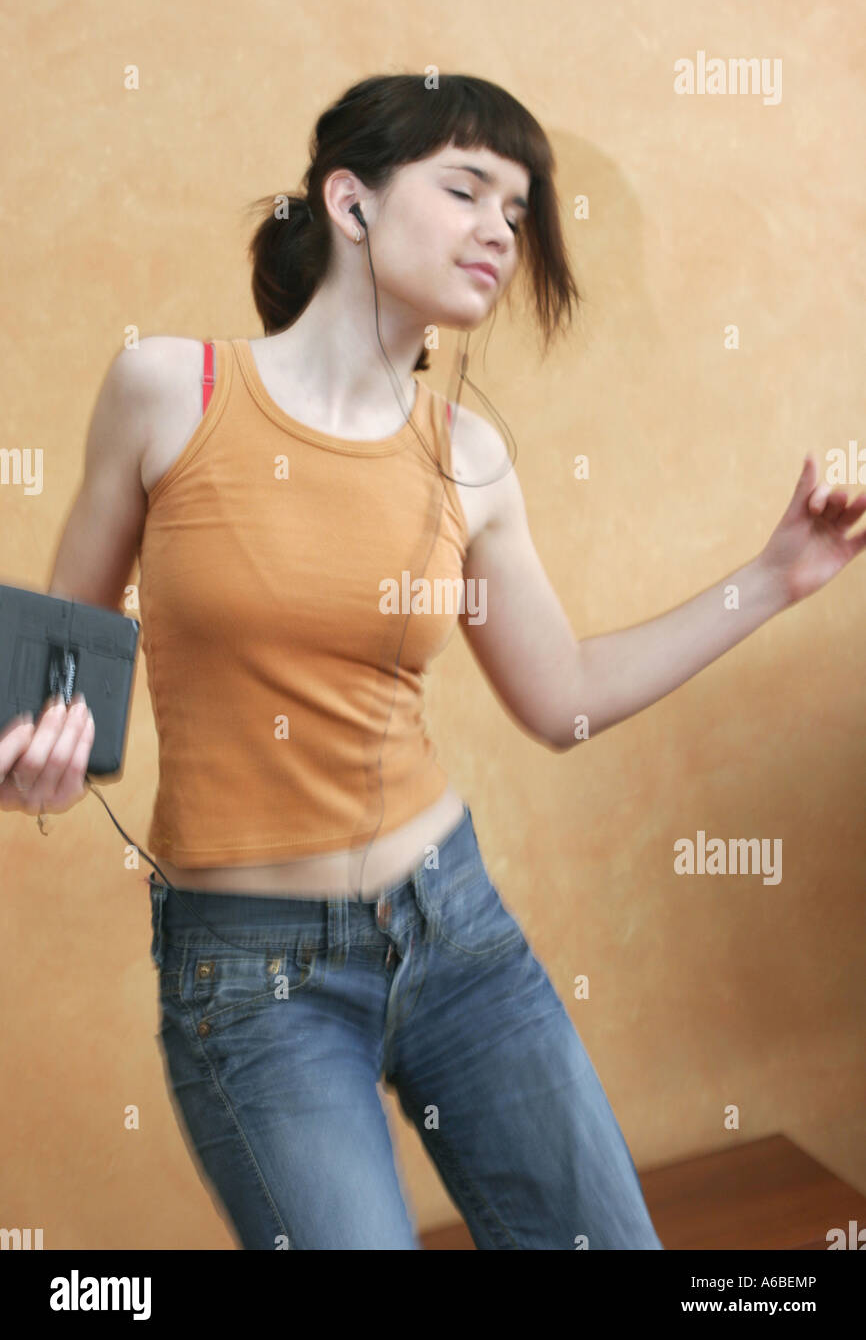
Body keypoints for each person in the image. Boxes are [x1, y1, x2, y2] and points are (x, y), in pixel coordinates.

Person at [2, 74, 864, 1251]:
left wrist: (770, 577)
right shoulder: (170, 389)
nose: (500, 231)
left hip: (455, 931)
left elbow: (560, 701)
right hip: (252, 985)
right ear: (348, 203)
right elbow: (61, 672)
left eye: (515, 209)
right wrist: (32, 759)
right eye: (465, 189)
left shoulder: (467, 455)